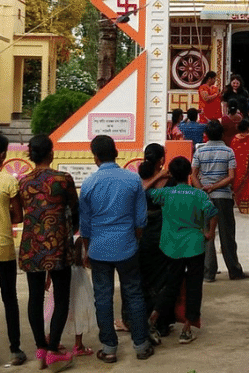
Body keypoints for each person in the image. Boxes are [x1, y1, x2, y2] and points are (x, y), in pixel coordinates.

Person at [79, 135, 155, 363]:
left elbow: (85, 226)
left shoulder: (89, 184)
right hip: (127, 246)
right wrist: (134, 241)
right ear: (116, 152)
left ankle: (109, 348)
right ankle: (141, 345)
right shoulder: (133, 181)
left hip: (99, 248)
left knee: (102, 297)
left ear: (95, 157)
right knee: (133, 294)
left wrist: (87, 251)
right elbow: (140, 221)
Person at [18, 135, 78, 371]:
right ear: (51, 153)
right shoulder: (63, 179)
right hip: (57, 245)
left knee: (35, 296)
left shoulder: (23, 182)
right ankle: (53, 348)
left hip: (31, 245)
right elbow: (74, 206)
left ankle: (40, 347)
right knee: (61, 296)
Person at [149, 156, 219, 345]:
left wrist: (158, 177)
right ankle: (187, 328)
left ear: (171, 173)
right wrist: (209, 233)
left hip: (171, 246)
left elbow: (146, 191)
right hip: (195, 245)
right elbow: (213, 212)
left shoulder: (166, 193)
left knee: (171, 285)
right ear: (190, 173)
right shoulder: (199, 195)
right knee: (194, 287)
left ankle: (153, 318)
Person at [0, 135, 25, 367]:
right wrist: (2, 217)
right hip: (3, 246)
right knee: (10, 298)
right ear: (3, 156)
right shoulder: (9, 181)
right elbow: (18, 216)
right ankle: (15, 349)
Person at [192, 120, 249, 282]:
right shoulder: (228, 152)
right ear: (222, 134)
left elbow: (194, 175)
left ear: (206, 135)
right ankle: (234, 270)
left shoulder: (199, 152)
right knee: (227, 235)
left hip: (205, 198)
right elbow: (231, 177)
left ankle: (208, 272)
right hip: (223, 197)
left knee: (207, 234)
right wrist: (215, 186)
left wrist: (203, 189)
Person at [133, 143, 176, 337]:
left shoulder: (138, 179)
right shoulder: (167, 181)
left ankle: (141, 319)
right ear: (161, 160)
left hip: (143, 233)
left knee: (143, 277)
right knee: (163, 276)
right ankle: (161, 321)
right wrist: (159, 176)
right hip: (162, 231)